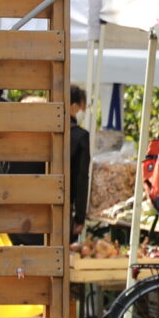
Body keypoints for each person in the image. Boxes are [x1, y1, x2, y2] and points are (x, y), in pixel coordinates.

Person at [67, 85, 94, 243]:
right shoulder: (80, 136)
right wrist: (80, 217)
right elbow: (81, 178)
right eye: (82, 108)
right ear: (74, 106)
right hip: (65, 205)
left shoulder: (44, 131)